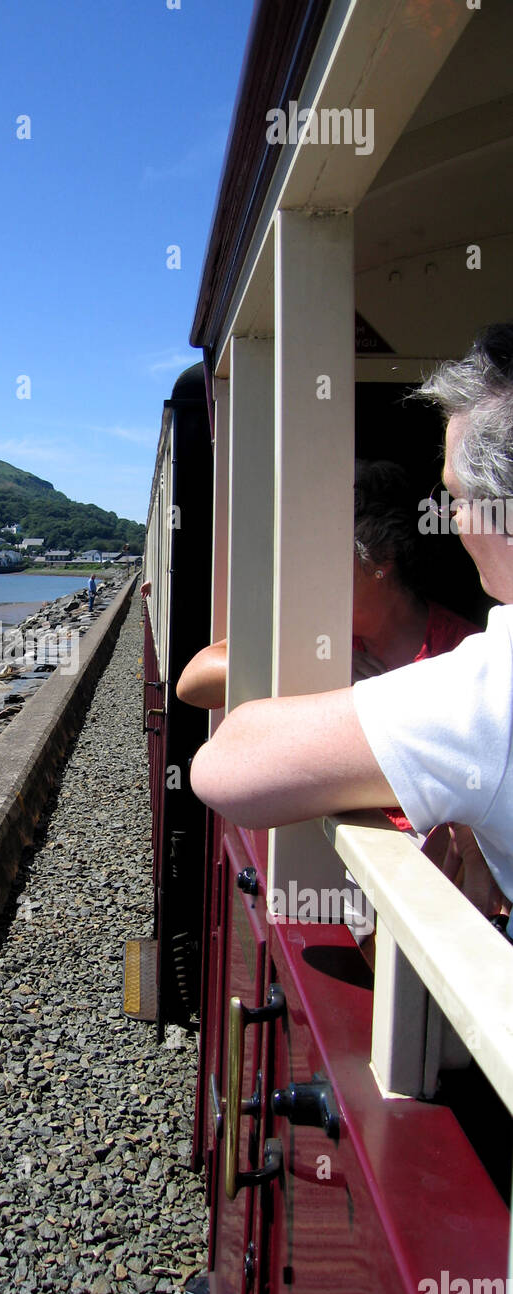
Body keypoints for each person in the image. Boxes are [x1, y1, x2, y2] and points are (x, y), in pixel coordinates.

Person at [189, 323, 513, 917]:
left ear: (382, 561)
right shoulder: (331, 638)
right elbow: (194, 681)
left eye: (460, 502)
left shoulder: (467, 661)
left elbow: (223, 765)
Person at [176, 458, 480, 716]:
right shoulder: (310, 626)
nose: (307, 571)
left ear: (382, 558)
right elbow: (192, 682)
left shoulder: (465, 651)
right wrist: (313, 668)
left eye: (324, 554)